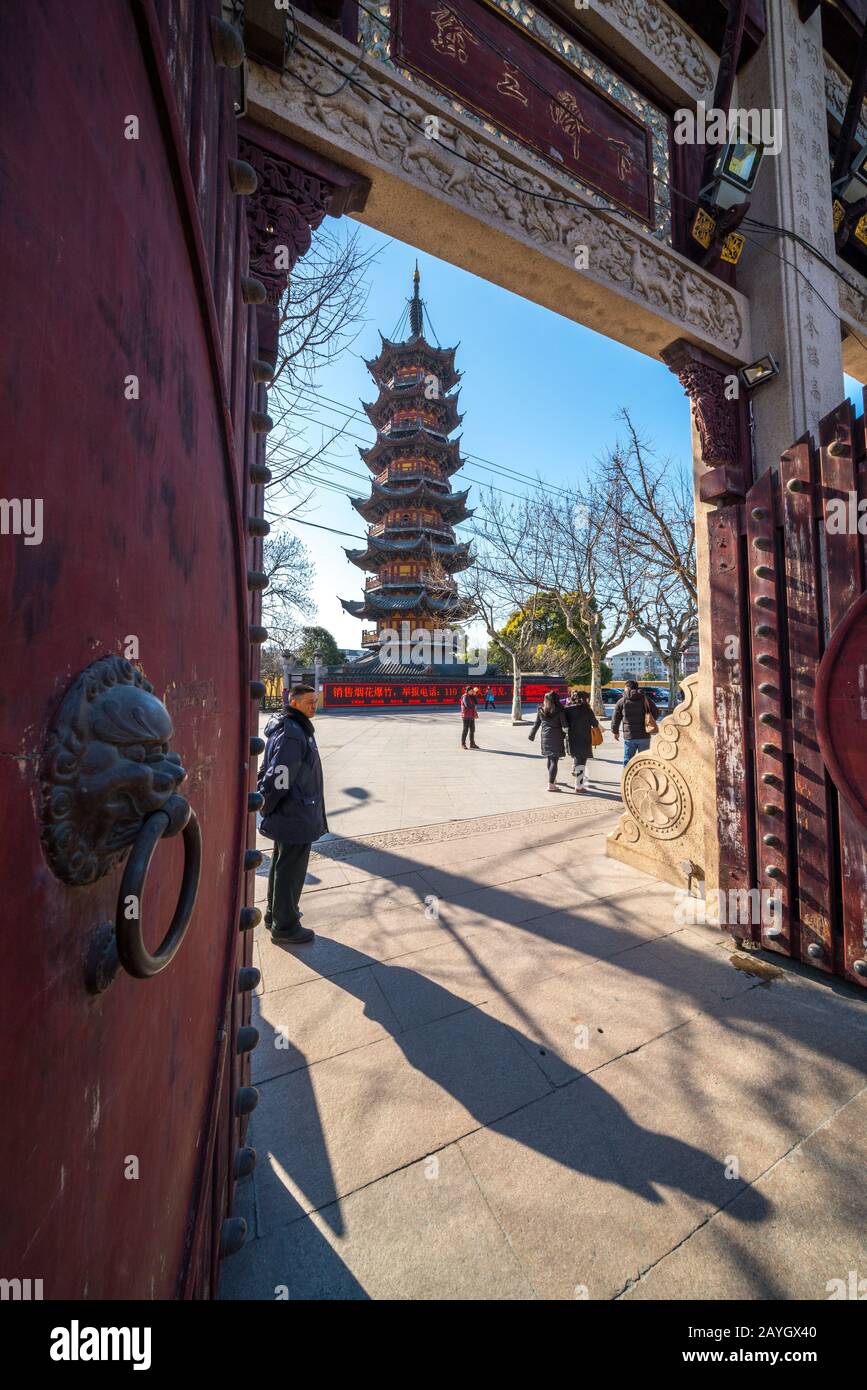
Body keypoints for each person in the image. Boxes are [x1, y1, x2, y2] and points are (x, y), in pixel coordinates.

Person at [257, 684, 326, 944]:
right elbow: (280, 776)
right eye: (309, 701)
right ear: (293, 702)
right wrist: (269, 804)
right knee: (291, 868)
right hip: (295, 811)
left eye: (315, 701)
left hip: (293, 809)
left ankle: (275, 913)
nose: (313, 706)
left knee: (282, 862)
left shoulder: (292, 727)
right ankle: (285, 927)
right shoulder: (294, 733)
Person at [611, 679, 659, 766]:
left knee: (628, 760)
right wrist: (649, 721)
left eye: (625, 687)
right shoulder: (646, 699)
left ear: (627, 687)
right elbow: (656, 712)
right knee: (644, 760)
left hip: (629, 736)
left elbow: (615, 718)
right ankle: (644, 778)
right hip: (644, 735)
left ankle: (626, 778)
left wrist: (615, 732)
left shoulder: (621, 701)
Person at [528, 689, 568, 790]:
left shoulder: (541, 709)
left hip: (545, 736)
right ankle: (551, 784)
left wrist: (531, 735)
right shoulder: (559, 710)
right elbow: (565, 727)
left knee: (550, 758)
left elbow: (536, 723)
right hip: (557, 736)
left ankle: (552, 779)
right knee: (554, 760)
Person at [563, 688, 600, 793]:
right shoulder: (587, 710)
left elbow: (564, 723)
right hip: (584, 739)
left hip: (571, 738)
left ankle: (575, 770)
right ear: (585, 699)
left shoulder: (567, 709)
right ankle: (579, 786)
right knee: (582, 762)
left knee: (576, 757)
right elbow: (595, 723)